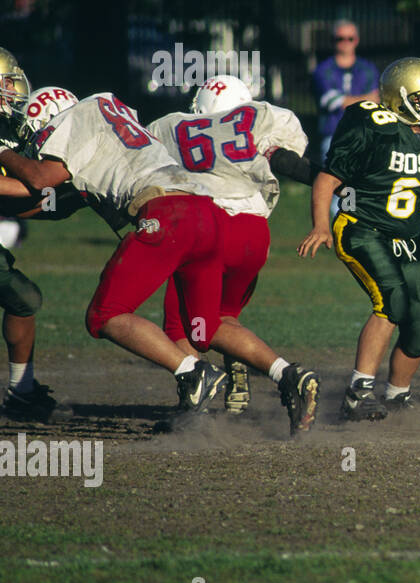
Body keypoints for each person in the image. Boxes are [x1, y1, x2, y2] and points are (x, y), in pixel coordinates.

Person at [0, 88, 241, 423]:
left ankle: (192, 371)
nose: (41, 148)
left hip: (164, 210)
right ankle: (257, 382)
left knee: (105, 315)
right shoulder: (104, 118)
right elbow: (54, 204)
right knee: (188, 322)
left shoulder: (74, 123)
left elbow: (41, 180)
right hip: (201, 208)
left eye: (42, 138)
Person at [148, 75, 322, 434]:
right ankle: (240, 367)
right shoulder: (255, 122)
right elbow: (289, 164)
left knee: (184, 323)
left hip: (208, 228)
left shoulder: (174, 127)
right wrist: (333, 177)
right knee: (224, 317)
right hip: (254, 235)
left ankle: (202, 400)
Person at [297, 57, 420, 421]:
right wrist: (321, 224)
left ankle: (397, 395)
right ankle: (358, 393)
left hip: (409, 238)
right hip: (362, 227)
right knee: (392, 302)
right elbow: (327, 178)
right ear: (400, 100)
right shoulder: (371, 124)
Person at [0, 49, 76, 418]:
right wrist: (55, 187)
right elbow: (18, 192)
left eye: (11, 82)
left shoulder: (8, 131)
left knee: (22, 298)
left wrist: (63, 200)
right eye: (4, 86)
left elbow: (25, 203)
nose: (13, 92)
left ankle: (21, 391)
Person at [311, 20, 379, 157]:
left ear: (356, 41)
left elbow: (376, 101)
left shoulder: (368, 69)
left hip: (364, 134)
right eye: (340, 39)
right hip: (334, 136)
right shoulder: (323, 70)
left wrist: (345, 101)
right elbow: (332, 101)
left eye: (350, 38)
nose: (345, 42)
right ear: (333, 41)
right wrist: (365, 99)